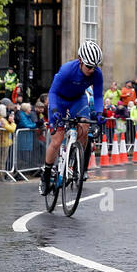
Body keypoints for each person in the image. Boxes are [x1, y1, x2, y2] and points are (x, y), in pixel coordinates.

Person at [41, 41, 104, 195]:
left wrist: (100, 113)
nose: (92, 70)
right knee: (56, 141)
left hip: (78, 99)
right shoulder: (67, 70)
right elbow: (53, 92)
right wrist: (55, 110)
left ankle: (75, 162)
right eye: (89, 66)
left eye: (95, 66)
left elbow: (97, 96)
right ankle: (47, 173)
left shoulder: (97, 73)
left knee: (84, 127)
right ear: (80, 60)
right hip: (59, 100)